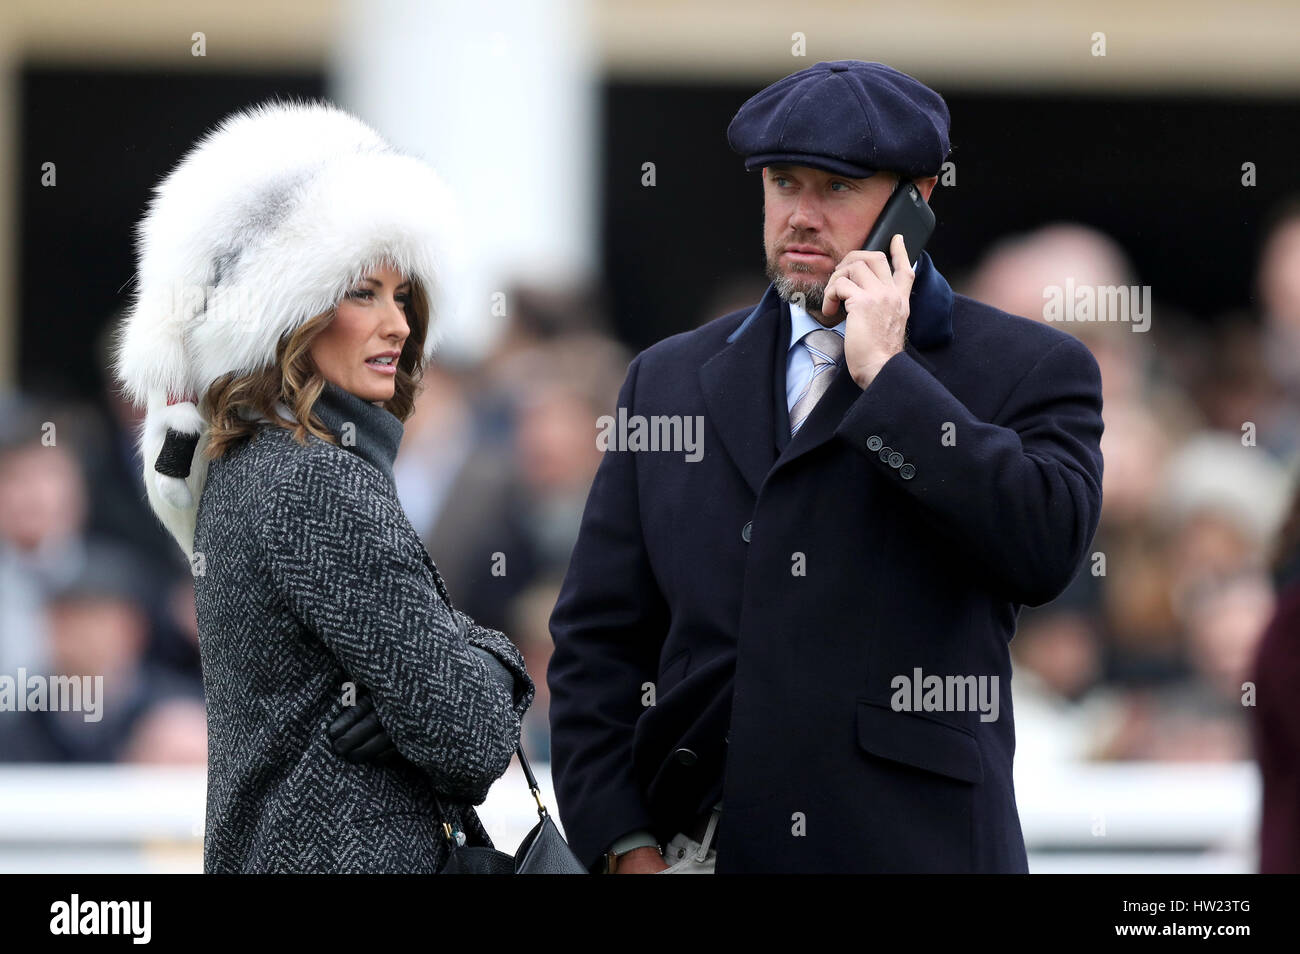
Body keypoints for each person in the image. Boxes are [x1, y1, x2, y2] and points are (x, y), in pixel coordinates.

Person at [547, 61, 1105, 873]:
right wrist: (623, 843)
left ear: (917, 201)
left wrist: (891, 378)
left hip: (917, 852)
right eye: (783, 184)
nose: (800, 217)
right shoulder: (667, 378)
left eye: (836, 189)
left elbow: (1046, 546)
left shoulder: (1030, 366)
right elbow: (598, 641)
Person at [111, 100, 533, 872]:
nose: (399, 324)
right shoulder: (315, 482)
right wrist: (494, 660)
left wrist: (423, 683)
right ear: (288, 314)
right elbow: (473, 742)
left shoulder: (248, 466)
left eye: (403, 294)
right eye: (362, 291)